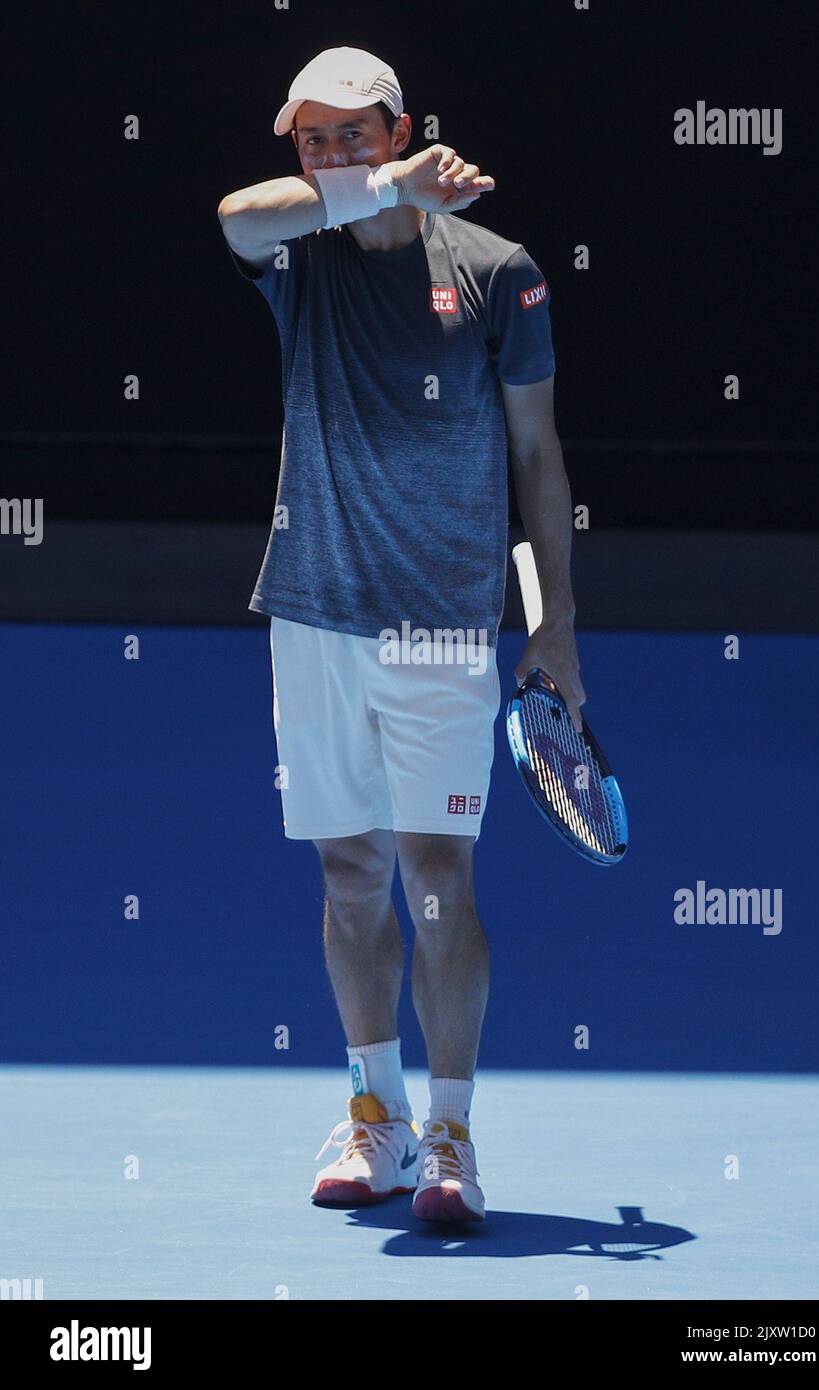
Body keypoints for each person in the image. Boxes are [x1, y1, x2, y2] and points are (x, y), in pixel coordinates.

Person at [218, 46, 584, 1224]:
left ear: (401, 125)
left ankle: (450, 1132)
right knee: (348, 867)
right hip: (312, 607)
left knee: (434, 875)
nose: (328, 153)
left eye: (352, 134)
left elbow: (536, 457)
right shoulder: (299, 256)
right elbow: (233, 219)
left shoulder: (498, 274)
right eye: (310, 140)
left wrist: (553, 626)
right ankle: (370, 1110)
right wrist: (388, 188)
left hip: (439, 620)